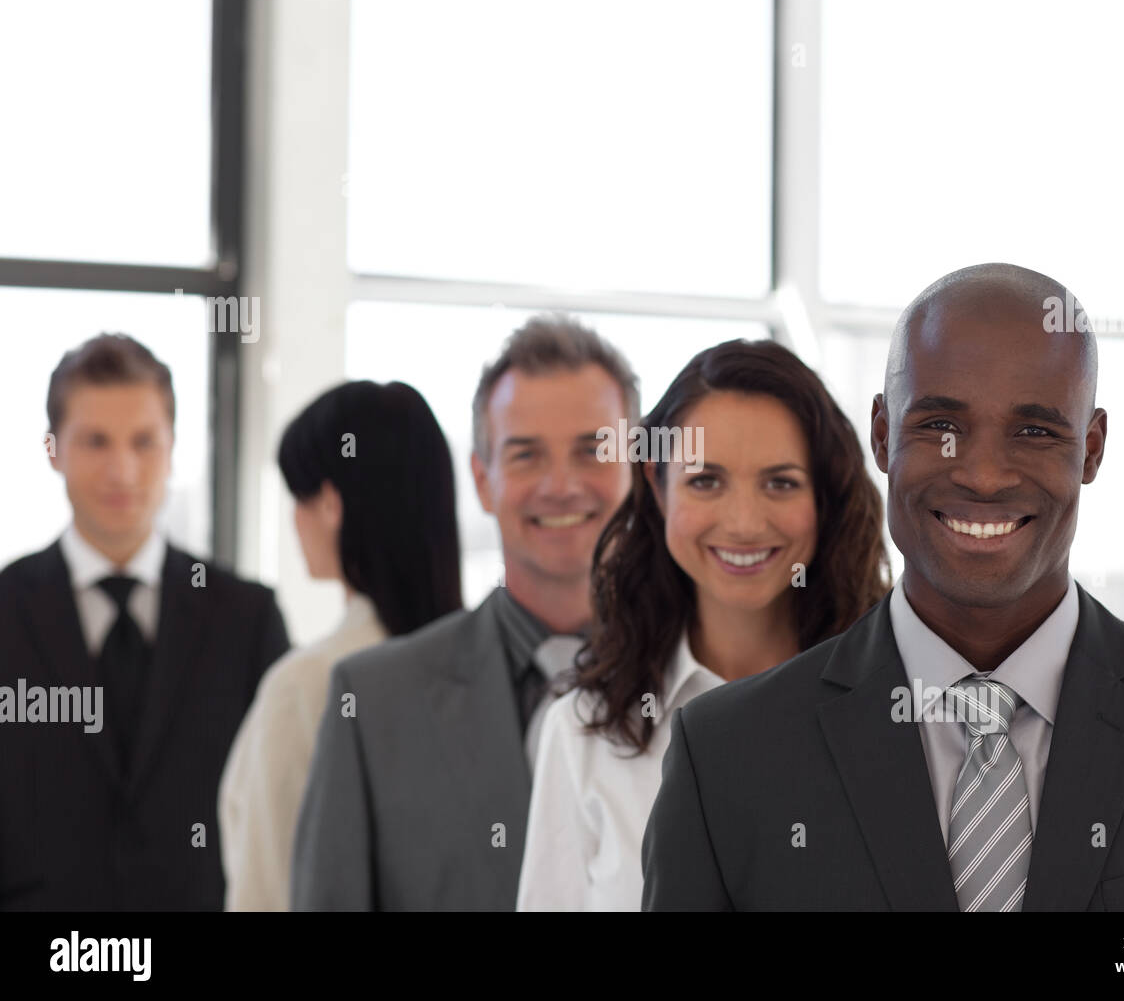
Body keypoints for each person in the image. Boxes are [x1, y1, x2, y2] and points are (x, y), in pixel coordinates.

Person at [642, 263, 1124, 912]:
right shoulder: (726, 755)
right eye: (939, 427)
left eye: (1035, 430)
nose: (984, 476)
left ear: (1093, 448)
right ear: (882, 433)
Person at [517, 339, 891, 910]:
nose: (743, 522)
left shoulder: (895, 707)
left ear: (826, 496)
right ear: (656, 486)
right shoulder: (582, 732)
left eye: (780, 482)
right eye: (705, 481)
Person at [291, 314, 636, 910]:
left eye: (592, 450)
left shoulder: (702, 691)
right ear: (482, 480)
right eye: (526, 455)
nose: (561, 484)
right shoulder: (372, 702)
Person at [0, 333, 290, 910]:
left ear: (173, 446)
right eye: (96, 442)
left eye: (144, 442)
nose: (123, 470)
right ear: (53, 449)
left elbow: (282, 809)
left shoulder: (247, 618)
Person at [218, 380, 463, 911]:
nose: (293, 519)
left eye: (299, 497)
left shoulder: (310, 686)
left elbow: (265, 896)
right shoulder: (492, 672)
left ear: (331, 503)